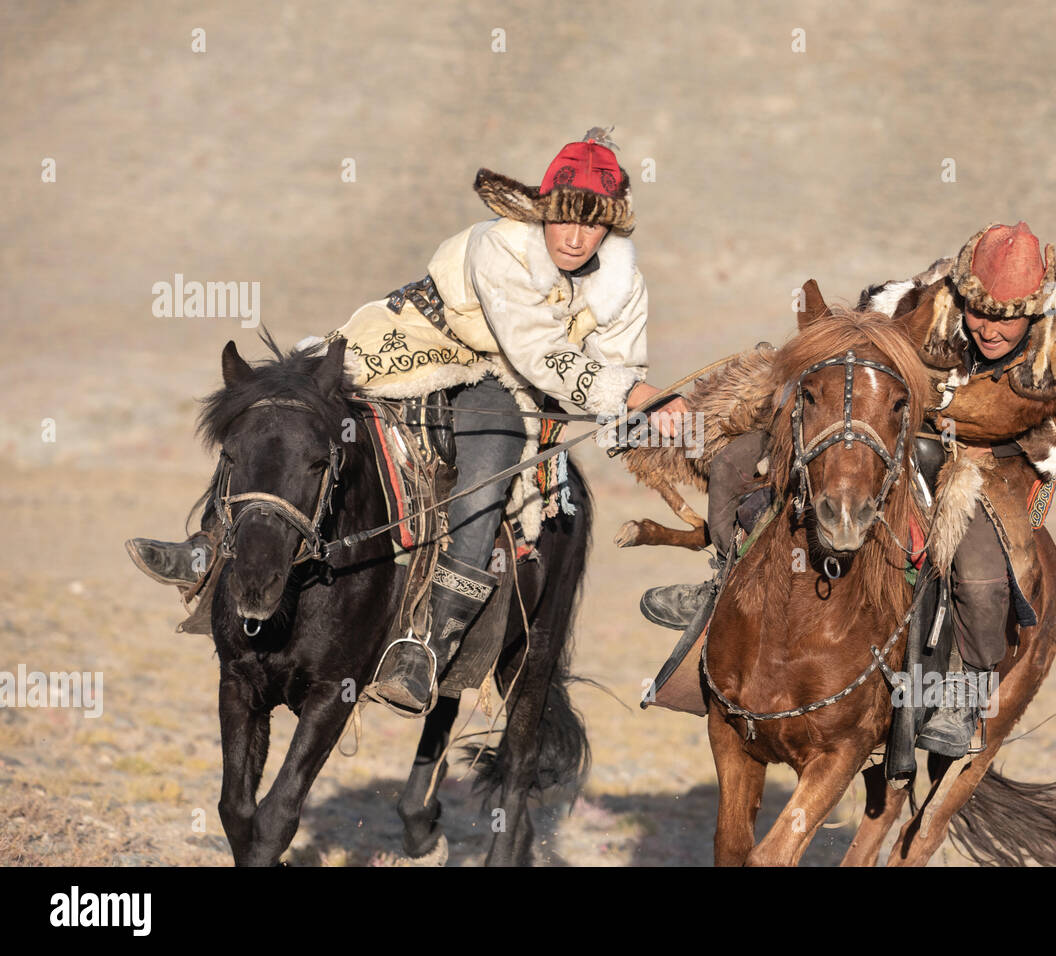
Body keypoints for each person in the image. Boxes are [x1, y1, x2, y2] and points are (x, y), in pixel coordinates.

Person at [128, 128, 688, 714]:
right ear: (540, 212)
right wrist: (633, 393)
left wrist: (644, 417)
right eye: (562, 219)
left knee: (486, 477)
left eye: (592, 223)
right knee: (289, 408)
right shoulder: (496, 246)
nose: (574, 237)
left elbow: (619, 367)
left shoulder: (625, 287)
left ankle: (426, 645)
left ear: (611, 227)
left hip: (499, 383)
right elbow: (538, 349)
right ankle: (208, 548)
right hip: (419, 338)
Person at [640, 222, 1056, 757]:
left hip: (984, 464)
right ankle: (721, 587)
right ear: (962, 294)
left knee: (981, 577)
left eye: (1008, 319)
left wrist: (1028, 455)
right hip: (891, 434)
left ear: (1032, 313)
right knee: (741, 467)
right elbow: (854, 359)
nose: (990, 329)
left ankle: (960, 694)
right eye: (980, 311)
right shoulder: (913, 315)